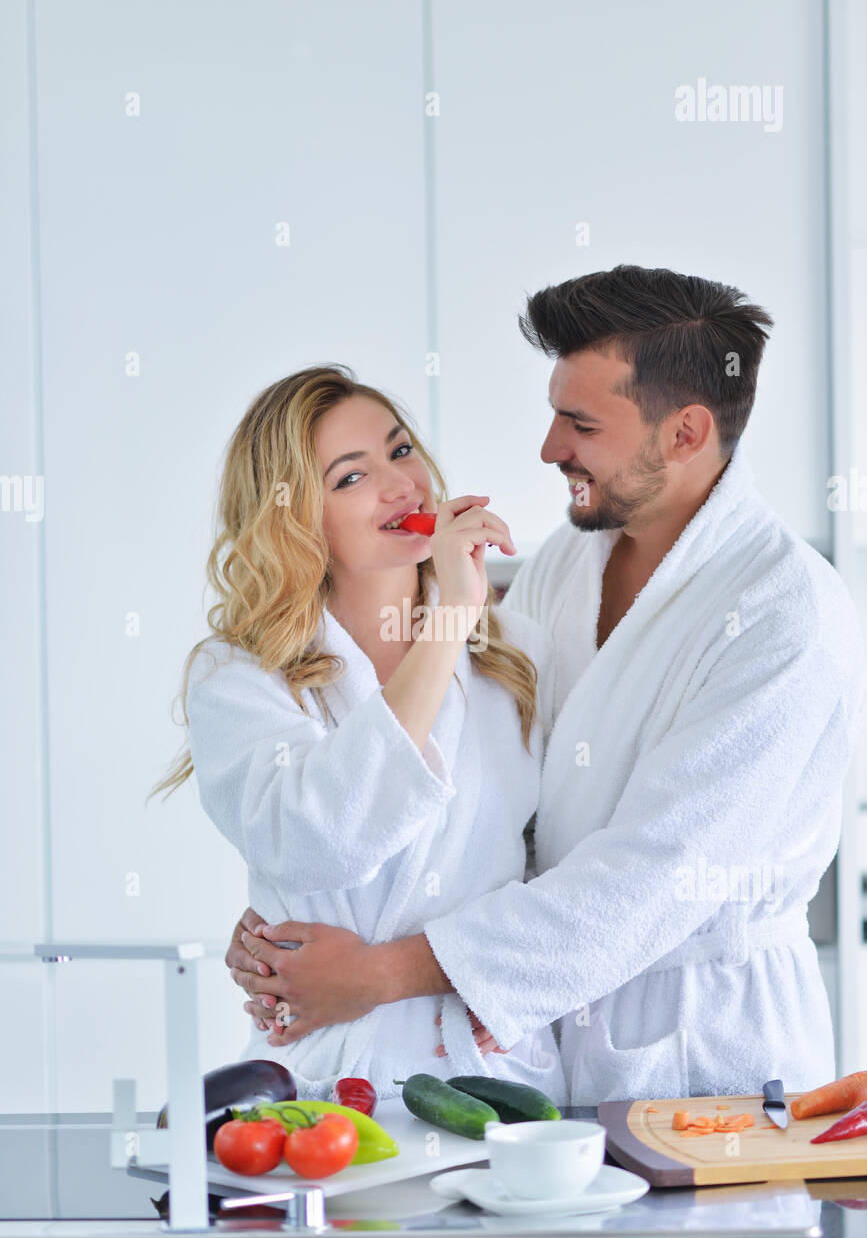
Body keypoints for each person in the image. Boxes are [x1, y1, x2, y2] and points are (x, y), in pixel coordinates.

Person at [228, 265, 867, 1102]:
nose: (549, 449)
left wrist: (385, 972)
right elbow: (498, 790)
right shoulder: (572, 559)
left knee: (697, 1236)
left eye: (580, 423)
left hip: (708, 1043)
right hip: (536, 1026)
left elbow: (662, 875)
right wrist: (313, 916)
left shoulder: (785, 609)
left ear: (683, 433)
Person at [149, 363, 567, 1105]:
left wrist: (508, 978)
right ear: (293, 518)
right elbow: (316, 840)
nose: (401, 486)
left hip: (489, 1067)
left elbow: (560, 867)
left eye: (400, 451)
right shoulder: (241, 676)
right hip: (330, 1079)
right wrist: (447, 624)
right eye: (350, 477)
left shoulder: (520, 653)